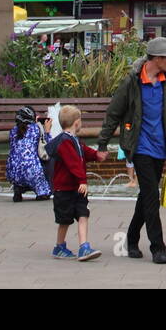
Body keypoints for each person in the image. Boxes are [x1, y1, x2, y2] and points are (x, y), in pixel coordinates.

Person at [97, 36, 166, 265]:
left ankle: (131, 239)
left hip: (160, 147)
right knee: (152, 196)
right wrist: (103, 143)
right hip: (140, 146)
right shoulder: (132, 83)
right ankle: (158, 248)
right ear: (156, 58)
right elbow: (113, 113)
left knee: (147, 195)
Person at [48, 105, 108, 261]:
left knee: (83, 214)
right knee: (64, 220)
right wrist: (82, 180)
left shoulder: (73, 140)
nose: (82, 123)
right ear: (76, 122)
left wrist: (97, 155)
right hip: (65, 189)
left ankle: (84, 247)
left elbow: (83, 151)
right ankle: (59, 246)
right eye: (81, 120)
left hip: (76, 188)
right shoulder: (64, 142)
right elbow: (73, 162)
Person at [6, 105, 52, 202]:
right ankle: (42, 192)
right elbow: (48, 147)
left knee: (21, 162)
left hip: (13, 174)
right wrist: (47, 131)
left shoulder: (13, 131)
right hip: (32, 173)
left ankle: (18, 189)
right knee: (48, 160)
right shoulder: (36, 129)